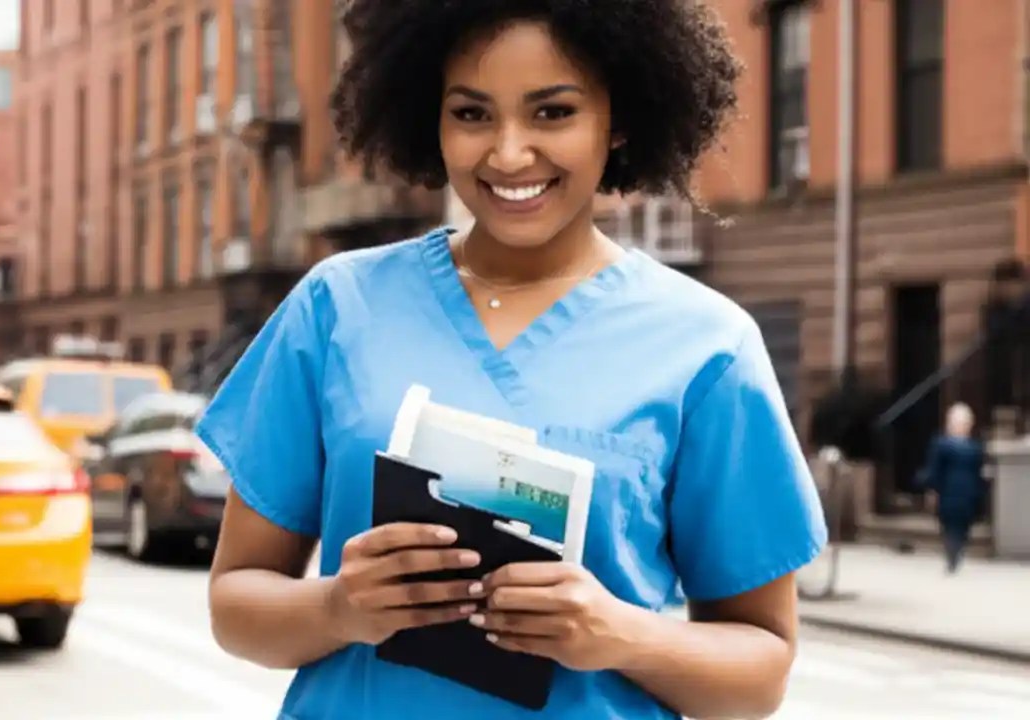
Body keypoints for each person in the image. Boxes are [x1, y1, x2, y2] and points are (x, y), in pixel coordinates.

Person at [197, 1, 828, 718]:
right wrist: (339, 607)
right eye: (471, 114)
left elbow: (761, 673)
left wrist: (621, 636)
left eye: (552, 113)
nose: (507, 153)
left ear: (616, 119)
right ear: (429, 119)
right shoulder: (338, 306)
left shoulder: (707, 346)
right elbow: (235, 604)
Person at [920, 403, 988, 574]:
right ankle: (953, 554)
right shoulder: (944, 444)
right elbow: (935, 469)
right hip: (950, 491)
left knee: (961, 524)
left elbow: (978, 471)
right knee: (951, 524)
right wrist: (932, 489)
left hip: (965, 492)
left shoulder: (974, 447)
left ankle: (955, 553)